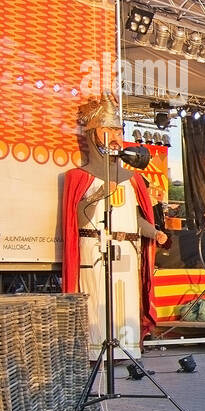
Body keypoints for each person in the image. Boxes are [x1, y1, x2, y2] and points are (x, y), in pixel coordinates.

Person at [60, 97, 167, 355]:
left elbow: (135, 219)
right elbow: (77, 218)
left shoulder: (133, 179)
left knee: (126, 300)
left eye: (118, 130)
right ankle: (96, 352)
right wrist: (98, 196)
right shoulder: (79, 177)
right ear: (93, 134)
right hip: (95, 248)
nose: (116, 136)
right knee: (98, 301)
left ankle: (126, 351)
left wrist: (154, 232)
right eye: (108, 130)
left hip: (127, 250)